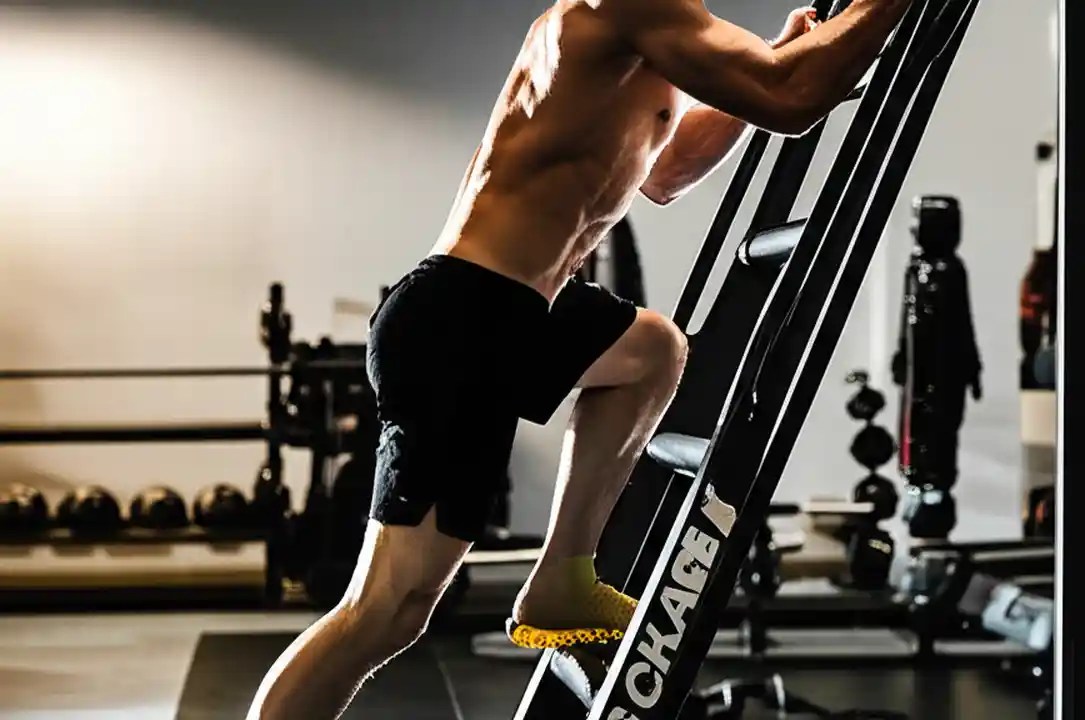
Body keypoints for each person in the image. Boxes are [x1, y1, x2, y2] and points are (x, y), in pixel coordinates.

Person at [248, 0, 908, 717]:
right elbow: (792, 93)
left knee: (651, 350)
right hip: (462, 315)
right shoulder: (626, 6)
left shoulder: (648, 36)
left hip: (519, 313)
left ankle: (562, 577)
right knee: (385, 612)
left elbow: (667, 172)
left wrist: (775, 61)